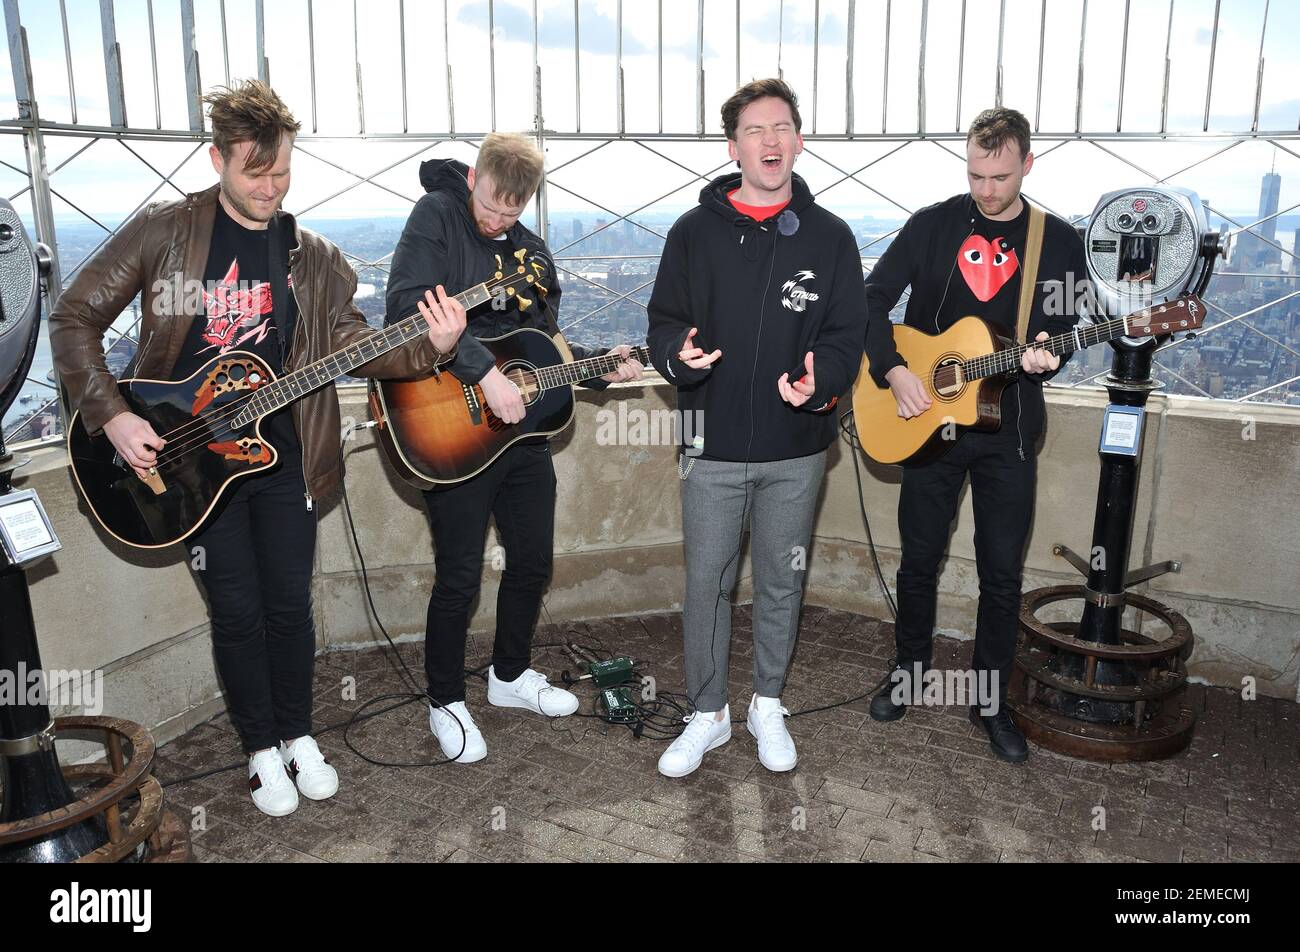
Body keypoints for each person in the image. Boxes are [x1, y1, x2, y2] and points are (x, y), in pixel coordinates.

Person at [50, 80, 465, 815]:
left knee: (289, 606)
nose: (270, 188)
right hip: (190, 460)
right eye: (254, 172)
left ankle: (299, 734)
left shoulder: (315, 258)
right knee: (237, 611)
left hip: (282, 455)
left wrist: (428, 350)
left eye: (282, 173)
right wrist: (112, 415)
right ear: (217, 159)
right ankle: (260, 750)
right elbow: (75, 315)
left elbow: (353, 346)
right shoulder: (165, 233)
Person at [385, 133, 642, 763]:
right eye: (492, 205)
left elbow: (542, 344)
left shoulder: (530, 252)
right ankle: (446, 701)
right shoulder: (438, 216)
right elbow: (404, 307)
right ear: (473, 176)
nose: (499, 220)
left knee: (531, 562)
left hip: (520, 434)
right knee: (459, 577)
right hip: (447, 419)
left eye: (513, 211)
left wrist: (596, 365)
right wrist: (484, 373)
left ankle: (508, 677)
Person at [646, 79, 867, 778]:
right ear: (733, 145)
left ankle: (767, 702)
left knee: (780, 579)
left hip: (796, 449)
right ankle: (708, 713)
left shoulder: (832, 238)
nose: (769, 141)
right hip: (709, 445)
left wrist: (822, 381)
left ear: (799, 139)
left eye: (781, 128)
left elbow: (845, 335)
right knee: (706, 582)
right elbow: (662, 321)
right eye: (753, 130)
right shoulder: (691, 232)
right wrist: (674, 351)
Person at [861, 106, 1088, 763]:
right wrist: (895, 369)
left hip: (1008, 427)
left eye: (1000, 175)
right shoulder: (932, 225)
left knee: (1001, 573)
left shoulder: (1060, 243)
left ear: (1027, 165)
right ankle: (908, 670)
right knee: (920, 558)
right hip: (926, 420)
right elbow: (873, 299)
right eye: (975, 174)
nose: (986, 189)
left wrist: (1051, 354)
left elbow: (1057, 332)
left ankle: (989, 701)